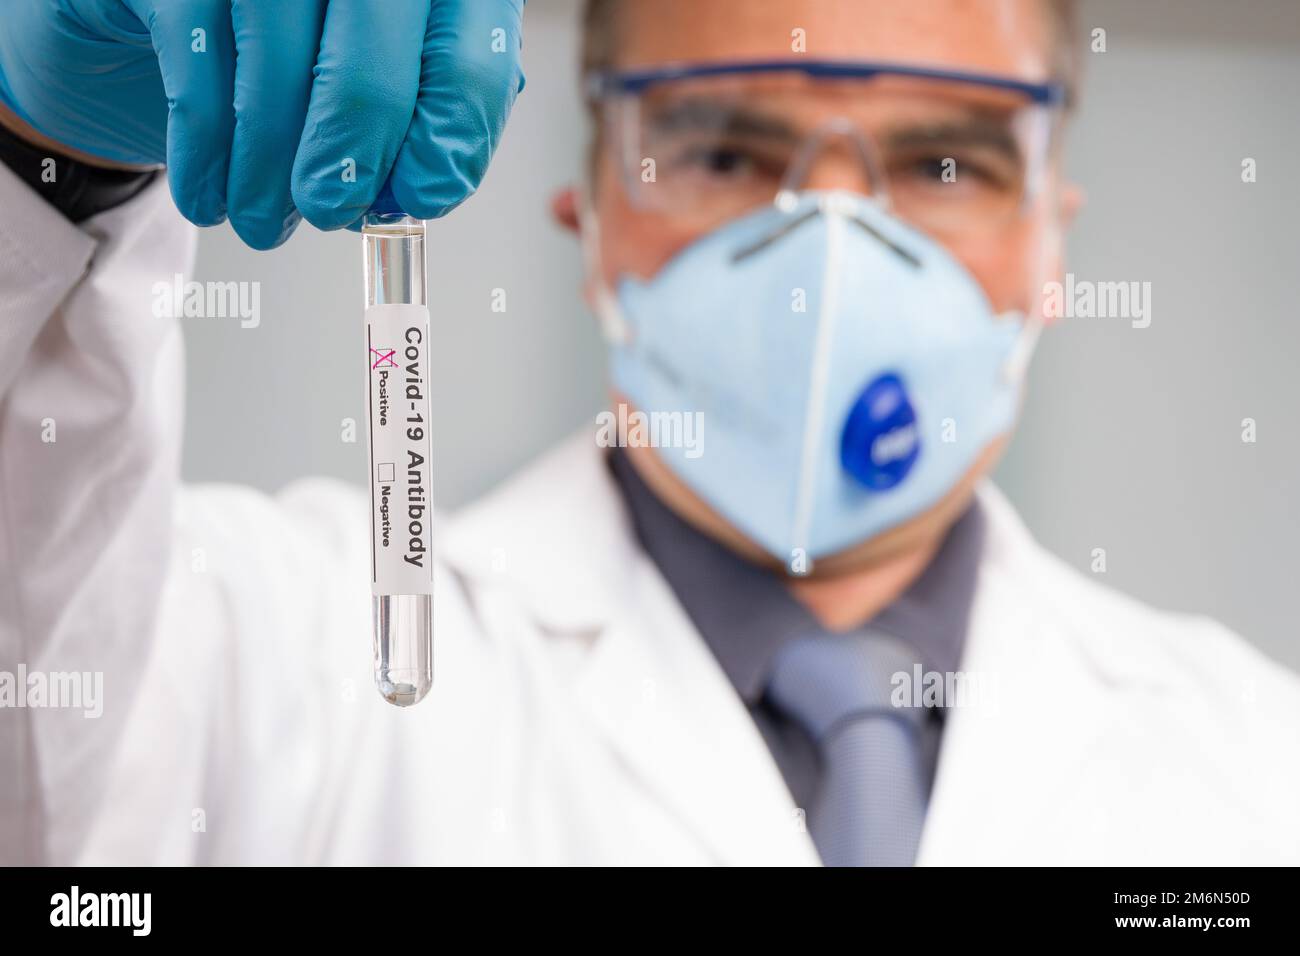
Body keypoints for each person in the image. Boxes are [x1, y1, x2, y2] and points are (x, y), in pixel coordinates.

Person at [0, 0, 1295, 867]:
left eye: (944, 168)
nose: (827, 254)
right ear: (588, 214)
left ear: (1054, 241)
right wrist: (49, 158)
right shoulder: (276, 658)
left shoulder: (1259, 765)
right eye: (728, 151)